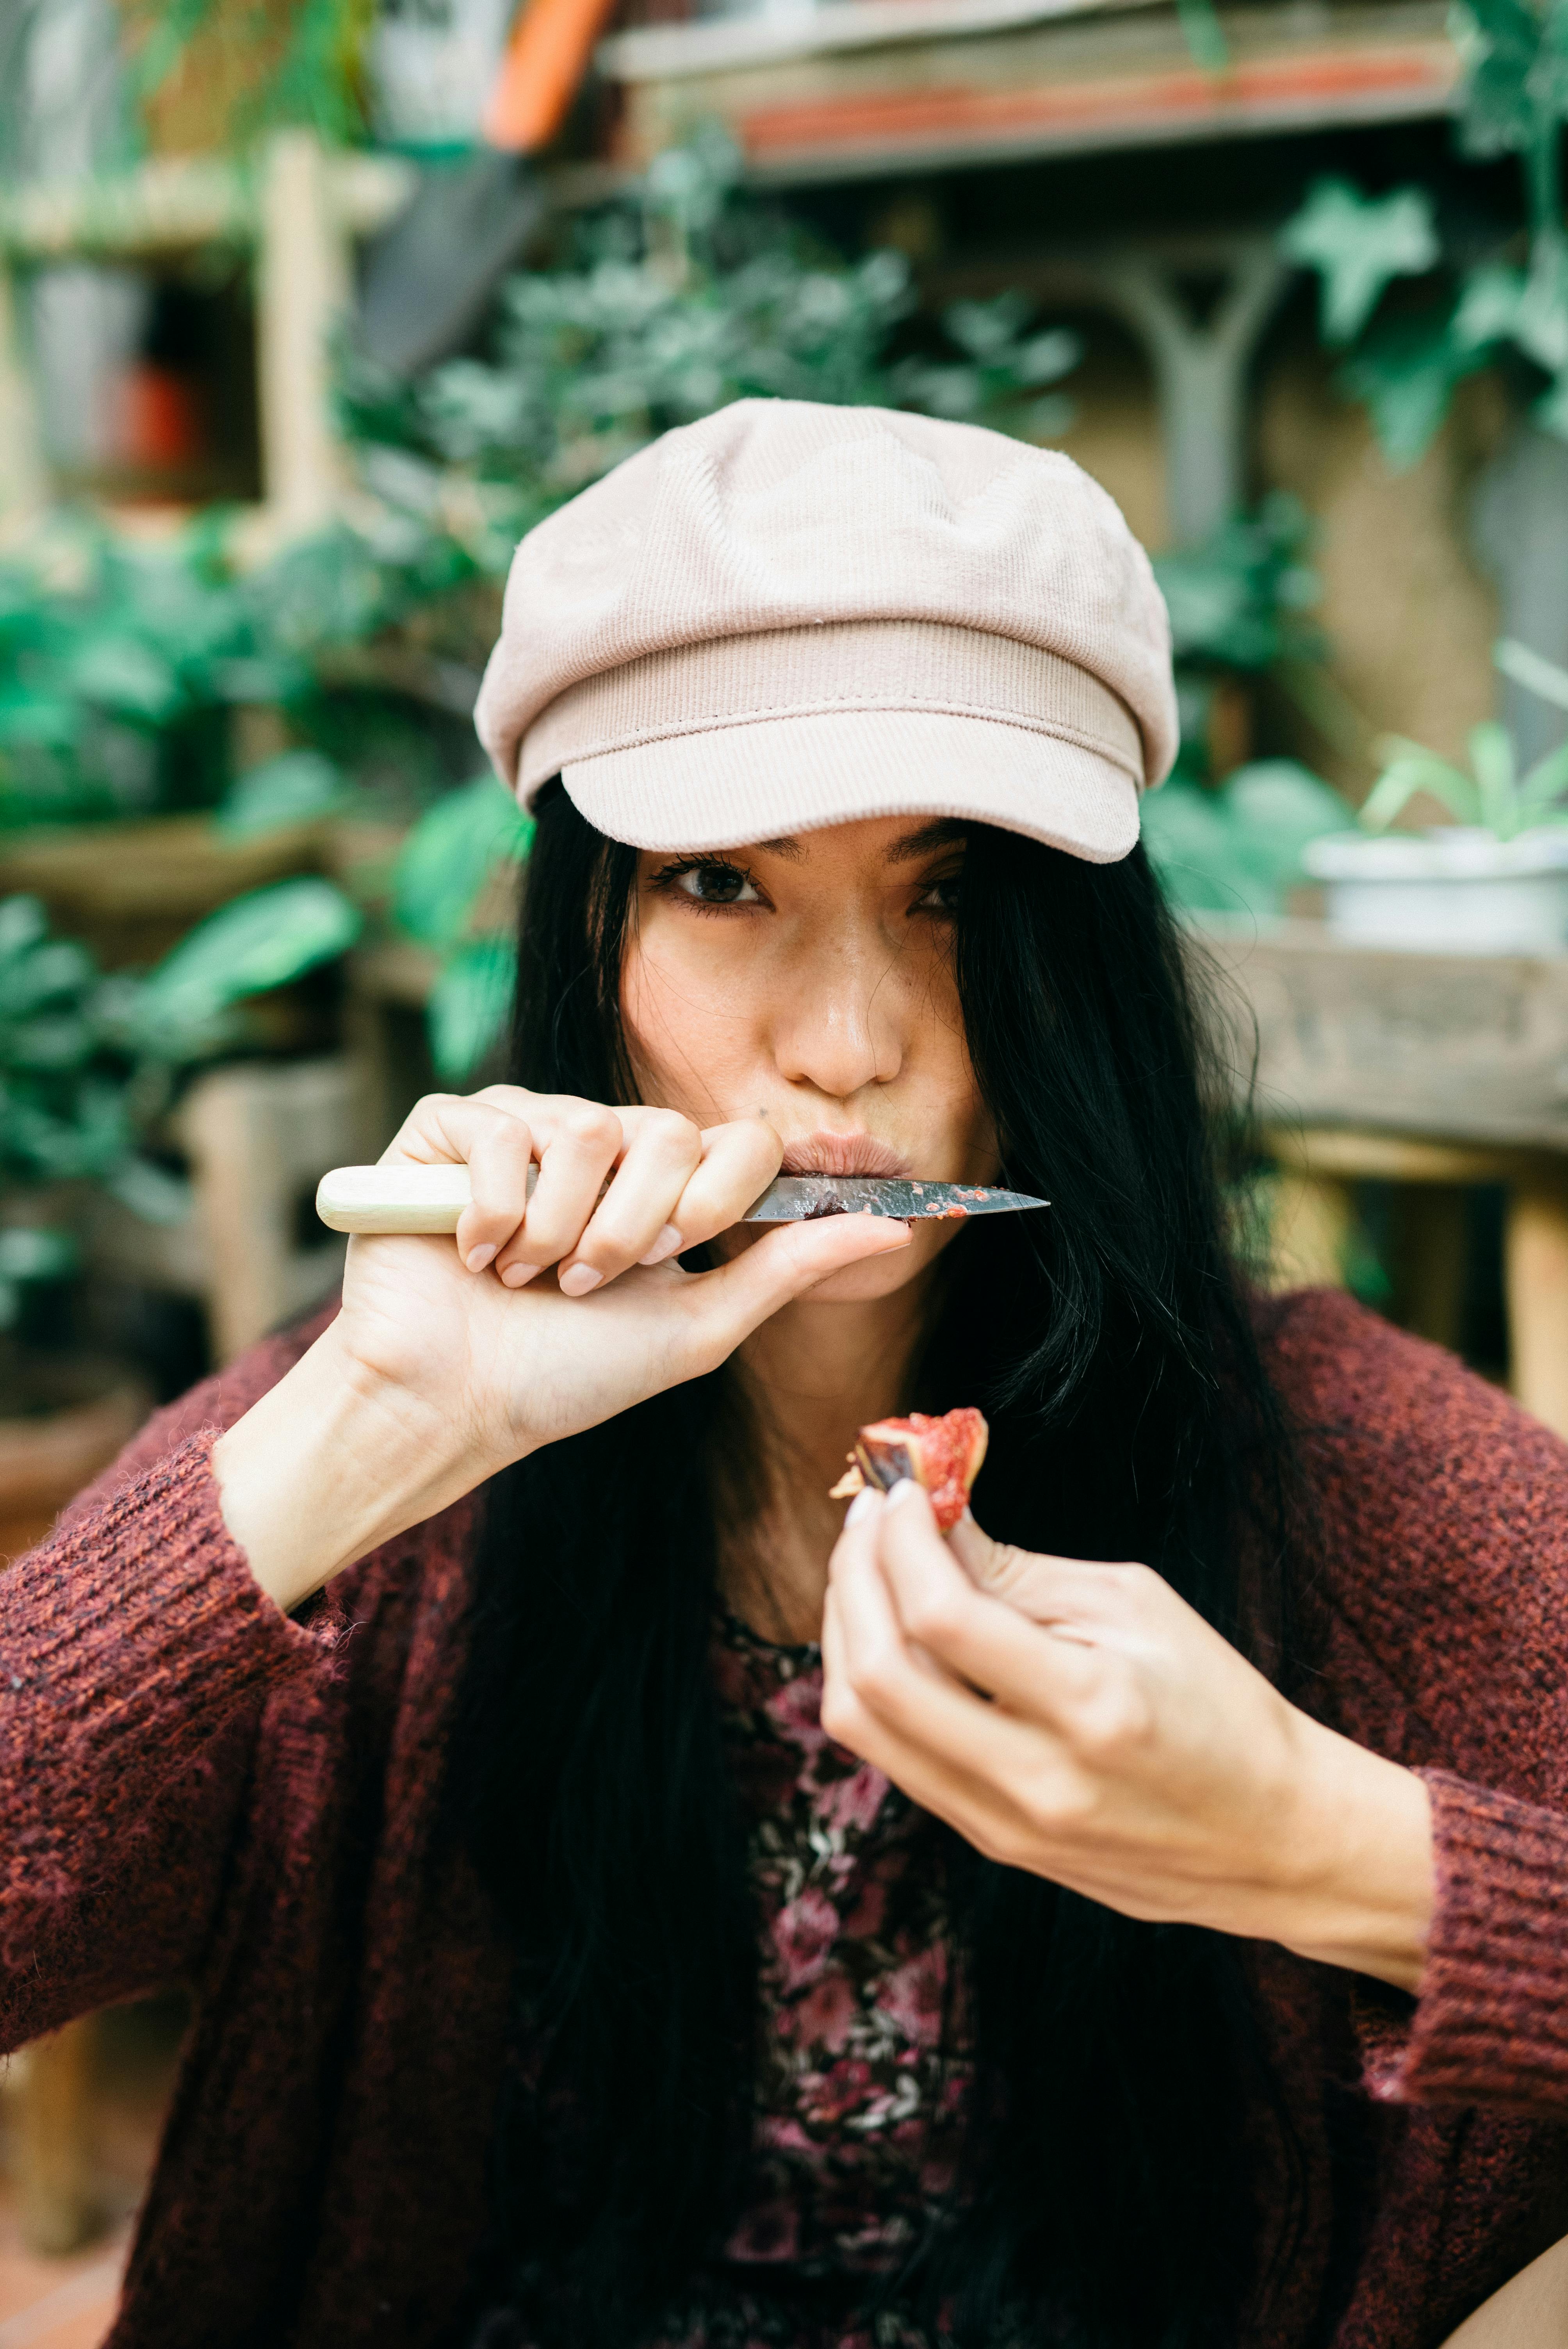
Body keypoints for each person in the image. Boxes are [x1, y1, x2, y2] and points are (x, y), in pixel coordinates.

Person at [6, 401, 1568, 2349]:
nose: (847, 1040)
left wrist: (1318, 1845)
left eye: (958, 894)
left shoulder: (1354, 1477)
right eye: (723, 883)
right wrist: (376, 1429)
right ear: (587, 929)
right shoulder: (380, 1492)